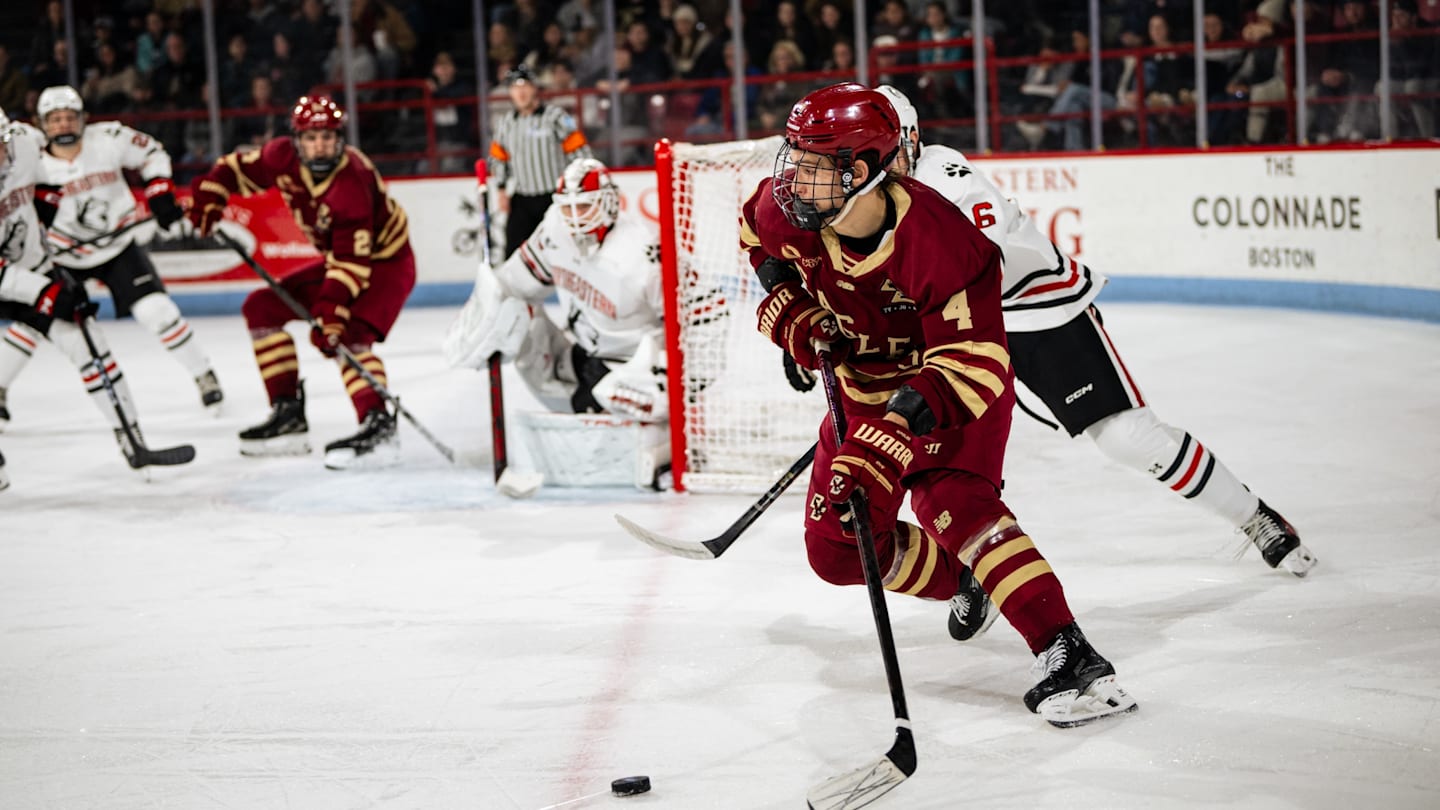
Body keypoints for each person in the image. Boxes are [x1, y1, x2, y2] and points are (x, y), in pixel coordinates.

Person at [742, 83, 1137, 727]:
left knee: (953, 507)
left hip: (948, 394)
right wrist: (790, 305)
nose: (793, 179)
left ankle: (1069, 652)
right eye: (796, 158)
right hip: (864, 389)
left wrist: (891, 434)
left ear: (863, 172)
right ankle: (967, 579)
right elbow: (756, 238)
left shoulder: (939, 237)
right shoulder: (792, 209)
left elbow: (976, 365)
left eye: (814, 164)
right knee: (837, 551)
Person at [874, 85, 1317, 579]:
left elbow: (980, 255)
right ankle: (973, 576)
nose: (875, 170)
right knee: (936, 460)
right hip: (953, 327)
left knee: (1128, 438)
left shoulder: (946, 178)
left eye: (884, 153)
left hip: (1034, 312)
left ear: (911, 141)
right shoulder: (864, 197)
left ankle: (1255, 517)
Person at [186, 94, 417, 470]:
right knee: (261, 309)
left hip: (385, 265)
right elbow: (234, 168)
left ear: (340, 138)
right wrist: (213, 190)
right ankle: (287, 414)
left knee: (348, 335)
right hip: (343, 262)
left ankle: (378, 424)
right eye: (311, 137)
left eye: (327, 136)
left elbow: (350, 264)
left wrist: (331, 313)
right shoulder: (281, 158)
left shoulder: (351, 181)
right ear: (297, 140)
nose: (319, 145)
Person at [442, 157, 696, 486]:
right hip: (579, 361)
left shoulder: (646, 251)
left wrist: (672, 378)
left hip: (632, 371)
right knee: (516, 316)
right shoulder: (554, 231)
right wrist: (484, 317)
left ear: (608, 204)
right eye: (569, 209)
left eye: (586, 208)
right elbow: (514, 285)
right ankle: (591, 413)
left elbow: (704, 320)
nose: (576, 220)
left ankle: (656, 433)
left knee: (627, 402)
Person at [0, 85, 223, 431]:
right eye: (54, 119)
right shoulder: (29, 155)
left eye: (69, 117)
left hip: (117, 247)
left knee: (157, 311)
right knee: (37, 323)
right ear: (42, 124)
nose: (62, 125)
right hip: (63, 253)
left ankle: (203, 373)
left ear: (84, 118)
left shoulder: (109, 137)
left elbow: (152, 152)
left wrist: (160, 190)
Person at [487, 65, 593, 258]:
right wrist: (501, 189)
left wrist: (581, 184)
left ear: (534, 88)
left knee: (565, 250)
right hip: (522, 197)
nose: (520, 92)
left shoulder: (556, 117)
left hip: (553, 197)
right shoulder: (505, 123)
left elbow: (580, 152)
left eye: (525, 85)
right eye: (515, 87)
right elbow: (498, 158)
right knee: (512, 252)